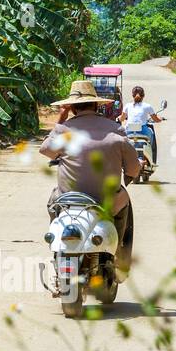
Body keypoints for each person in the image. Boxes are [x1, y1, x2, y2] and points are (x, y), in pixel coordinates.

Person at [40, 79, 142, 278]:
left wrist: (61, 118)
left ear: (72, 108)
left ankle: (58, 250)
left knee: (53, 202)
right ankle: (119, 254)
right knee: (124, 201)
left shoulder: (64, 130)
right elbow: (133, 168)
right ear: (96, 104)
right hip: (106, 202)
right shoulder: (115, 129)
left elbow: (45, 150)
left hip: (68, 201)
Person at [119, 85, 164, 165]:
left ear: (132, 95)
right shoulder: (147, 106)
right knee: (151, 137)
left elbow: (122, 119)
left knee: (124, 141)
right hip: (143, 131)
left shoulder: (128, 106)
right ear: (143, 96)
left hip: (129, 131)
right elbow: (155, 119)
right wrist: (160, 119)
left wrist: (118, 118)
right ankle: (151, 159)